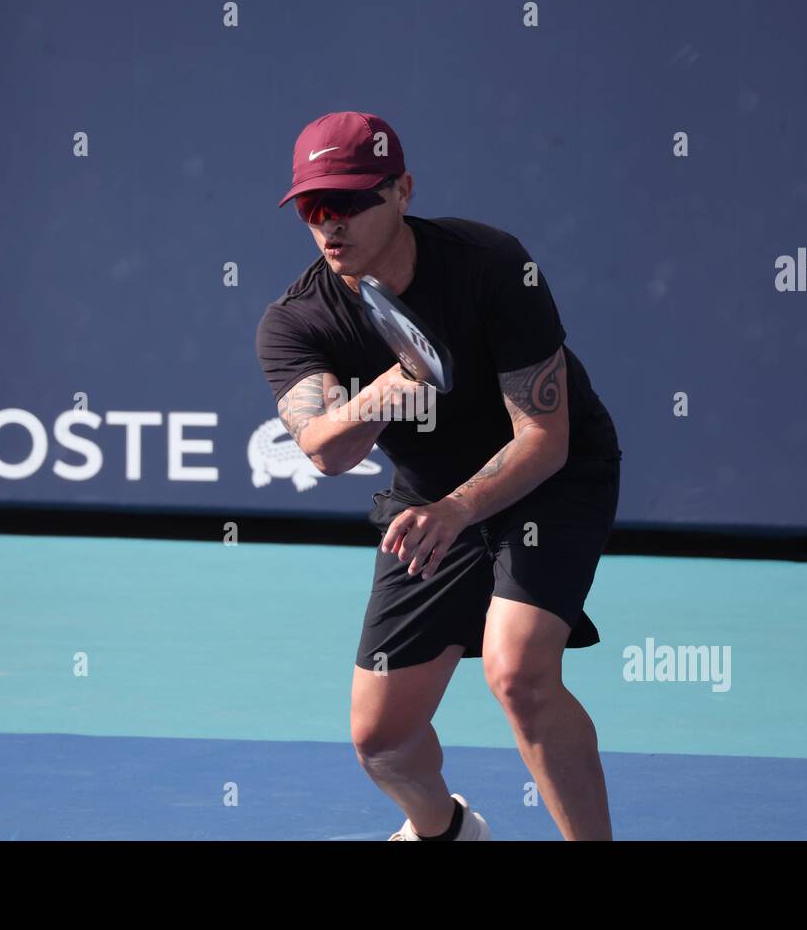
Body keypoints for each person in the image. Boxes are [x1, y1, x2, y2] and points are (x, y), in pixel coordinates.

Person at [256, 111, 623, 841]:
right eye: (313, 209)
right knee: (381, 741)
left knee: (519, 672)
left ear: (402, 191)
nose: (332, 225)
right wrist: (400, 378)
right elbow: (326, 451)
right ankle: (443, 830)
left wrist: (458, 511)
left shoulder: (491, 266)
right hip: (426, 500)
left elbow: (545, 438)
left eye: (351, 202)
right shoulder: (298, 320)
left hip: (551, 479)